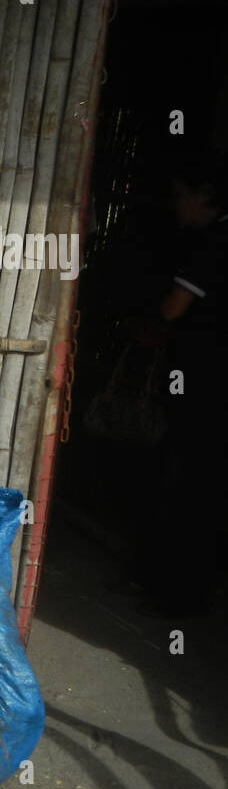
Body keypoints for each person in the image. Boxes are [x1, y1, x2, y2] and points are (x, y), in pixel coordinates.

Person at [142, 155, 226, 618]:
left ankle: (173, 593)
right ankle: (190, 589)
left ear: (204, 197)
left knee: (186, 481)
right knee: (205, 485)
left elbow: (174, 307)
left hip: (203, 386)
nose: (177, 206)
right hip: (210, 385)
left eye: (181, 196)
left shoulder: (212, 245)